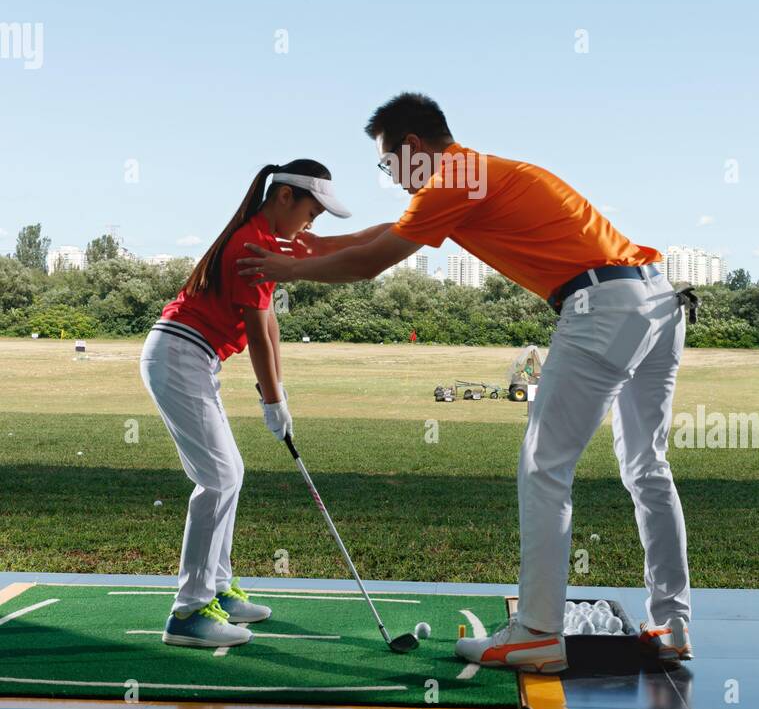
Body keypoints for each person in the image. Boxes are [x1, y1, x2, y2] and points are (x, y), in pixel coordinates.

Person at [237, 94, 693, 672]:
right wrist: (322, 247)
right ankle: (673, 625)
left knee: (544, 468)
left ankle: (536, 633)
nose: (392, 178)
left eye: (389, 164)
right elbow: (388, 233)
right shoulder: (475, 174)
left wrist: (292, 268)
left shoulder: (452, 178)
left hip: (601, 306)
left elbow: (375, 260)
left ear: (414, 149)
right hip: (657, 301)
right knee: (647, 467)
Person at [140, 160, 351, 649]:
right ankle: (189, 611)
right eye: (311, 213)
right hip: (178, 354)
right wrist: (271, 402)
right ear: (284, 198)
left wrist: (277, 393)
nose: (311, 224)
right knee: (218, 477)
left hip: (196, 358)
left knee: (228, 471)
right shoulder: (251, 243)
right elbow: (255, 335)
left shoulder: (265, 241)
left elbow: (269, 322)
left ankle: (216, 589)